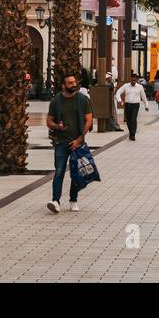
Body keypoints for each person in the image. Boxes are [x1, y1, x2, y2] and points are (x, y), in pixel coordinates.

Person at [46, 73, 93, 213]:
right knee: (59, 172)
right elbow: (49, 121)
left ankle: (73, 200)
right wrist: (56, 126)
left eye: (74, 82)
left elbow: (89, 120)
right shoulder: (56, 101)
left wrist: (79, 140)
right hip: (61, 142)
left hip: (77, 142)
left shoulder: (83, 100)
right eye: (70, 83)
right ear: (63, 85)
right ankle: (55, 201)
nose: (74, 84)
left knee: (76, 173)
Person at [115, 72, 149, 140]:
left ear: (136, 80)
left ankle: (133, 134)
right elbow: (118, 92)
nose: (133, 81)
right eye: (132, 80)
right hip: (127, 105)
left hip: (136, 105)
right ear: (130, 79)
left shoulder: (140, 87)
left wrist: (146, 105)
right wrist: (119, 100)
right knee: (128, 120)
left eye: (134, 80)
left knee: (133, 119)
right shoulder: (126, 86)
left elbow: (143, 96)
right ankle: (131, 132)